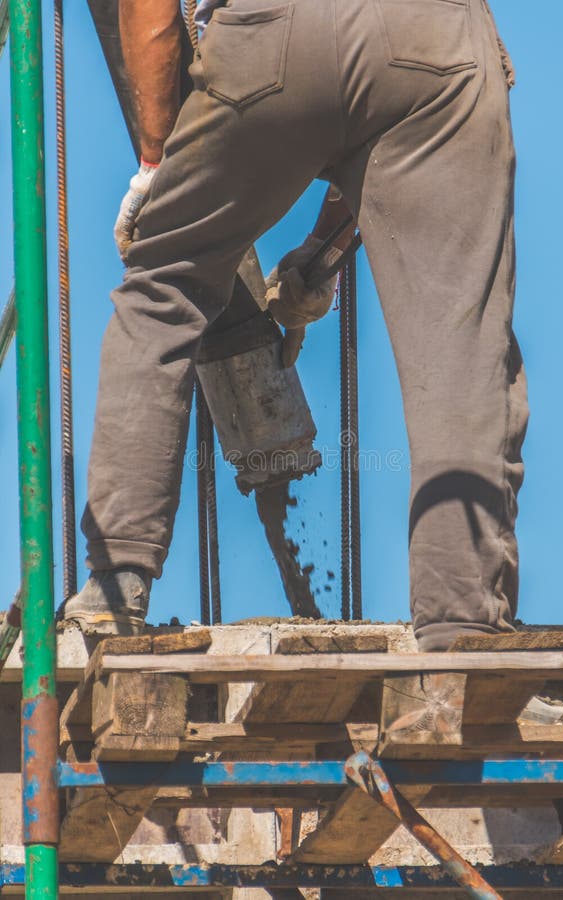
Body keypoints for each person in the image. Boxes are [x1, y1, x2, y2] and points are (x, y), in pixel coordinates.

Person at [64, 0, 527, 653]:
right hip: (437, 40)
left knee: (164, 284)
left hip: (271, 30)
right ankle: (461, 619)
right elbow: (375, 67)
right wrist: (327, 249)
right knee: (459, 331)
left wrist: (152, 167)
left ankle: (115, 589)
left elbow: (150, 8)